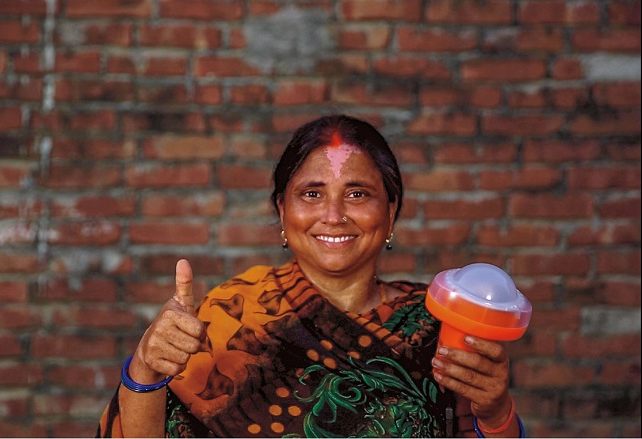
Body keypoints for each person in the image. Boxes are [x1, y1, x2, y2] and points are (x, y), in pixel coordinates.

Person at [96, 114, 524, 437]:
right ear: (283, 211)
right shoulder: (230, 319)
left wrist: (496, 413)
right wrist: (147, 369)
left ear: (390, 211)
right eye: (312, 194)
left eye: (357, 194)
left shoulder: (437, 325)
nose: (334, 216)